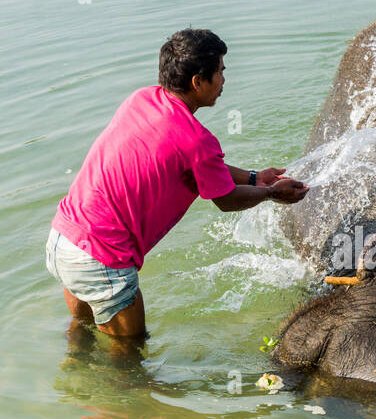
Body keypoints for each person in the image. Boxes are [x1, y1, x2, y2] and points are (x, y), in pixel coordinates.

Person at [46, 28, 308, 343]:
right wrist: (270, 193)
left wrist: (254, 178)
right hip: (102, 259)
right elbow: (224, 199)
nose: (224, 81)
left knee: (81, 336)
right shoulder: (196, 139)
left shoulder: (140, 99)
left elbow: (200, 170)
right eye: (220, 73)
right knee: (129, 359)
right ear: (198, 82)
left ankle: (71, 385)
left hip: (63, 240)